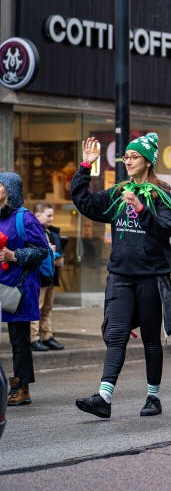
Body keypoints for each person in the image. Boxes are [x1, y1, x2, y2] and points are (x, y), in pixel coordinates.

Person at [72, 134, 171, 418]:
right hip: (120, 275)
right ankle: (104, 399)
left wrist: (141, 208)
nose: (128, 161)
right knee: (116, 334)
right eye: (126, 157)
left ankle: (153, 397)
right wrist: (86, 166)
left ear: (148, 161)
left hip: (150, 277)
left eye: (134, 157)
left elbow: (166, 227)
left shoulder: (161, 193)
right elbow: (86, 203)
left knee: (150, 340)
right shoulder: (120, 191)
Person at [1, 173, 49, 406]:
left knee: (18, 338)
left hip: (19, 287)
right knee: (15, 337)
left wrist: (13, 255)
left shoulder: (25, 218)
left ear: (9, 191)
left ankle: (21, 387)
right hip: (2, 283)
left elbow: (42, 251)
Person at [31, 202, 65, 351]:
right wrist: (49, 252)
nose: (52, 218)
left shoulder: (51, 233)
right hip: (39, 276)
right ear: (37, 215)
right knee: (36, 308)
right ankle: (33, 337)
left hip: (50, 275)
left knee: (47, 308)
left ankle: (47, 335)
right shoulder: (32, 232)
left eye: (52, 215)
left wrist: (58, 258)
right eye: (48, 215)